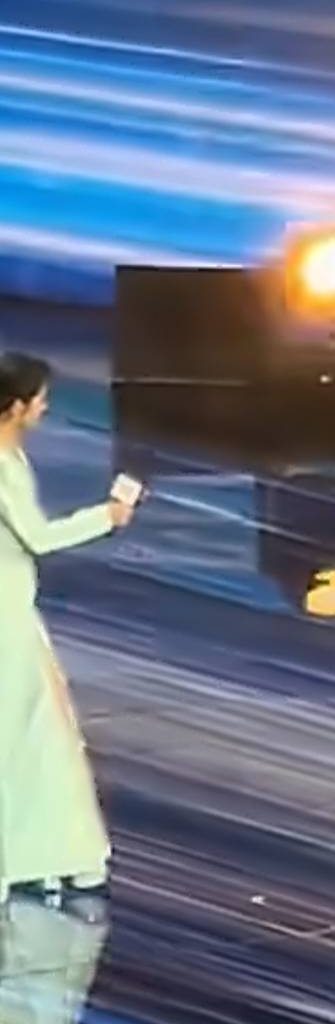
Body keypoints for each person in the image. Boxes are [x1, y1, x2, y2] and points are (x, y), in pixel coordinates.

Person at [0, 353, 134, 904]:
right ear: (15, 406)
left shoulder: (12, 458)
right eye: (39, 400)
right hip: (5, 626)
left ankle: (54, 857)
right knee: (22, 740)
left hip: (16, 614)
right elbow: (38, 537)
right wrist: (106, 517)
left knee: (40, 740)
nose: (45, 408)